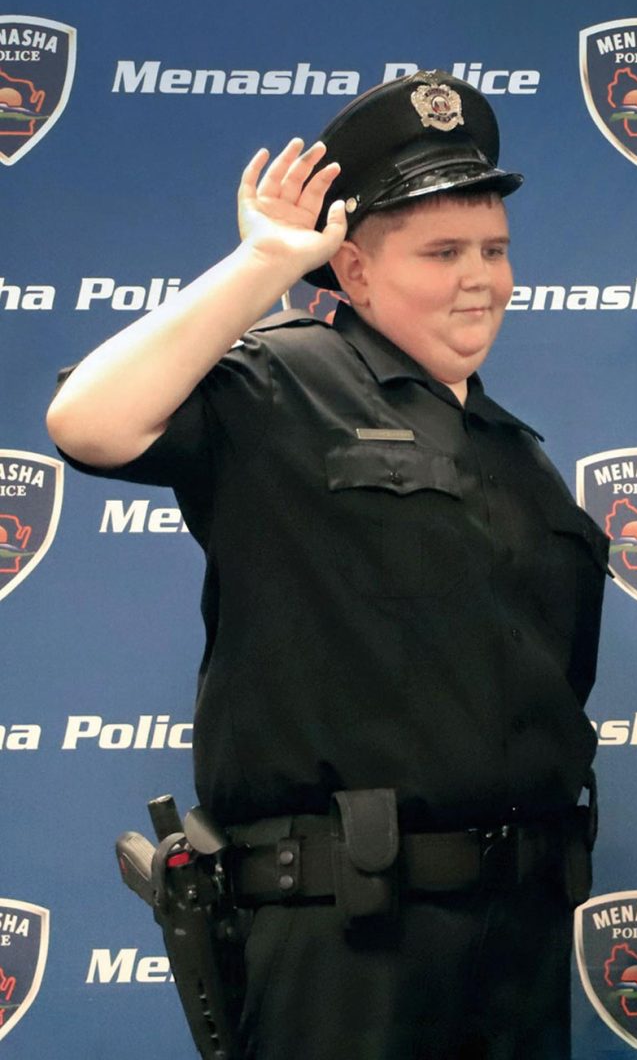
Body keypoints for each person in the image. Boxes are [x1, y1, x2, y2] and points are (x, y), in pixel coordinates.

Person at [47, 71, 608, 1058]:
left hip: (515, 939)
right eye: (441, 252)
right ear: (352, 267)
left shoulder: (517, 452)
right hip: (350, 941)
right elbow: (87, 422)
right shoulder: (282, 378)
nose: (480, 278)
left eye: (494, 249)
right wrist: (260, 263)